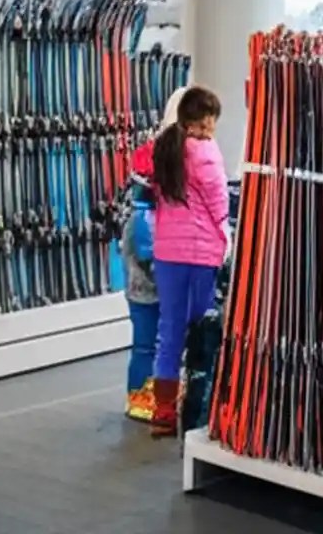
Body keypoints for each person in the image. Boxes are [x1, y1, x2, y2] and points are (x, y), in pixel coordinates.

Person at [148, 85, 228, 438]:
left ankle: (163, 411)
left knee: (169, 330)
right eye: (210, 117)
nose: (212, 125)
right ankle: (198, 406)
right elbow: (218, 201)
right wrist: (228, 236)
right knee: (201, 328)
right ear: (202, 119)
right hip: (200, 252)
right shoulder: (205, 152)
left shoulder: (163, 148)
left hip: (167, 253)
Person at [120, 86, 187, 422]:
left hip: (165, 263)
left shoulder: (184, 157)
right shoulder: (154, 159)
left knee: (164, 343)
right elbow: (144, 229)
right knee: (148, 342)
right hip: (148, 269)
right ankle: (139, 400)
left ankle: (159, 399)